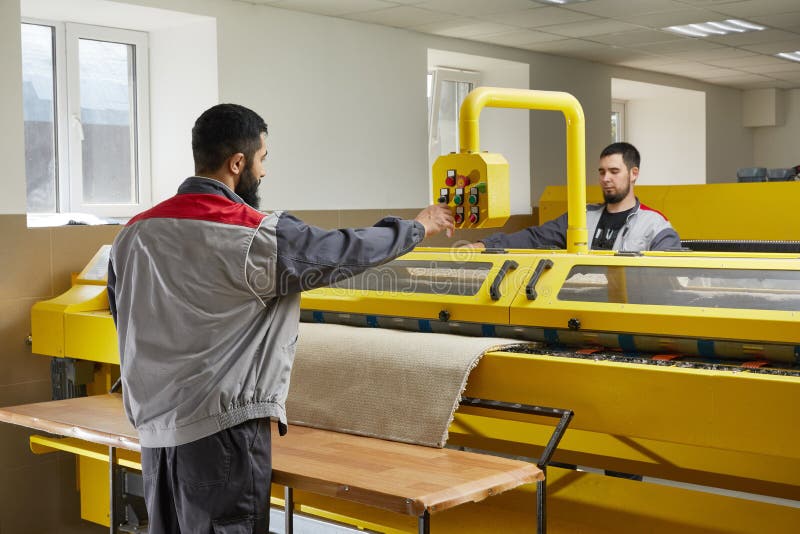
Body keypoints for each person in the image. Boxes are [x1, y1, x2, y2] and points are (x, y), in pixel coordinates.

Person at [107, 103, 454, 533]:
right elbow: (345, 251)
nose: (264, 172)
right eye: (261, 159)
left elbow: (122, 316)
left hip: (156, 437)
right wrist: (417, 228)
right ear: (238, 163)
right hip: (223, 438)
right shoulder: (252, 234)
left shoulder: (133, 234)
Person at [468, 142, 681, 251]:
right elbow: (535, 237)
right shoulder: (582, 217)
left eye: (614, 172)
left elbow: (669, 275)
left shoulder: (655, 225)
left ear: (634, 174)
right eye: (601, 172)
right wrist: (485, 245)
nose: (606, 178)